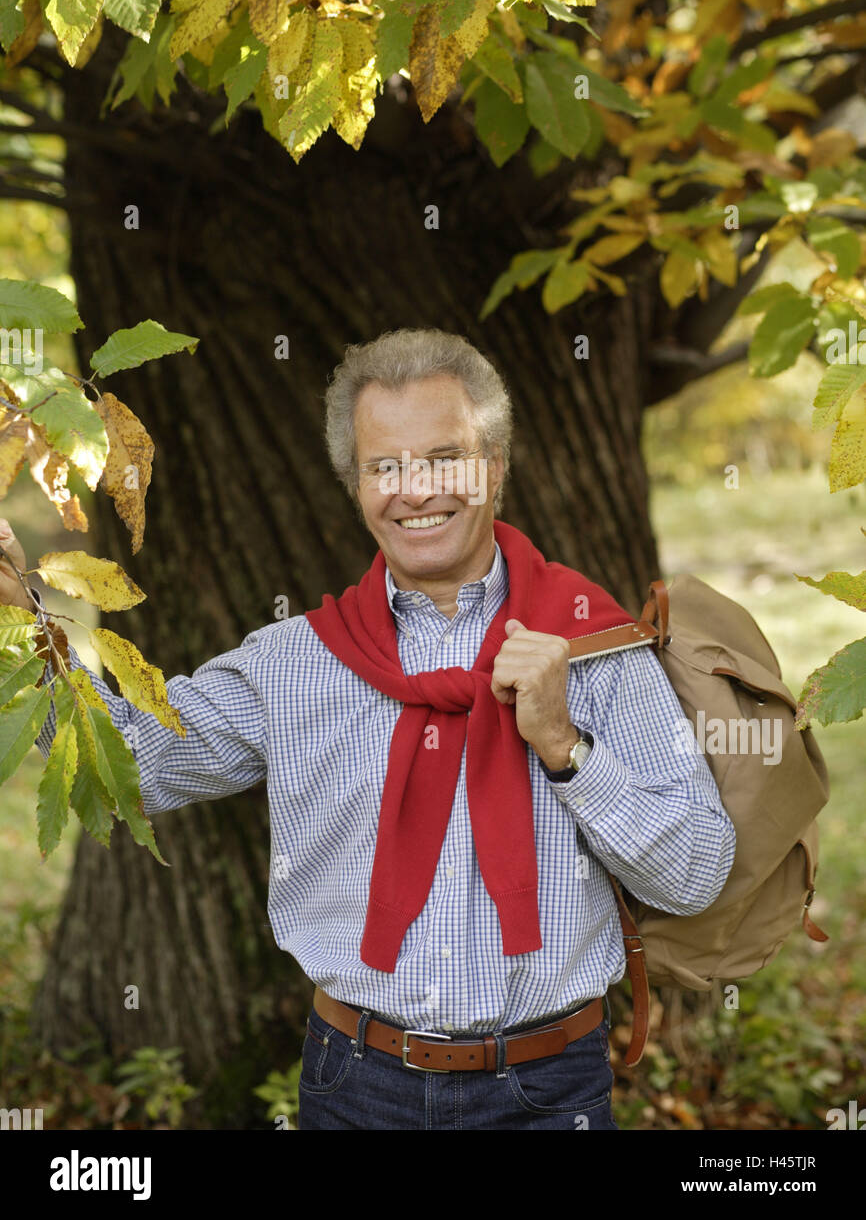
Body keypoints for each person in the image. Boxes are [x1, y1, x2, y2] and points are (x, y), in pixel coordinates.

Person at [3, 327, 735, 1131]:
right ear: (357, 488)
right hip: (355, 1088)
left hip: (547, 1092)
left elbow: (695, 877)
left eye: (443, 458)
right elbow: (128, 761)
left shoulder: (592, 644)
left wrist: (567, 749)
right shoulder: (298, 664)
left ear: (493, 468)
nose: (414, 490)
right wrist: (19, 622)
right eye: (384, 466)